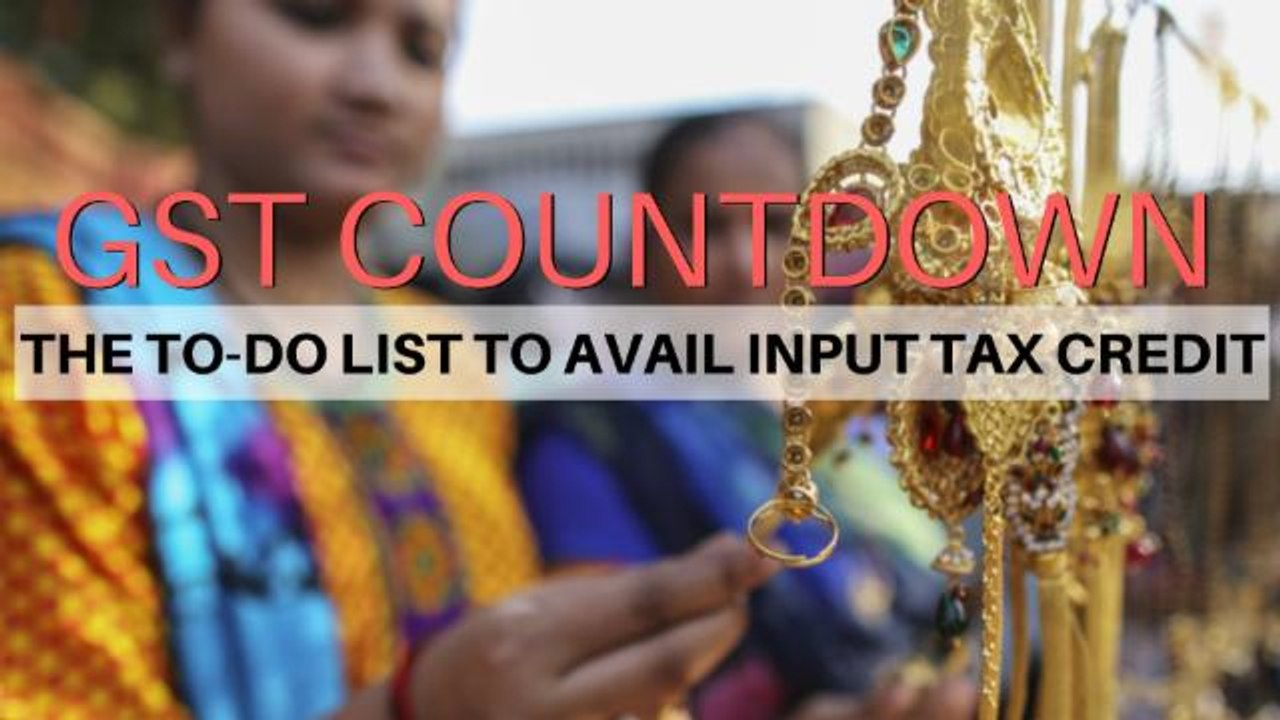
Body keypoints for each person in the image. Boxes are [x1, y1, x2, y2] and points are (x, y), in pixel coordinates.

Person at [0, 1, 974, 718]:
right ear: (181, 31)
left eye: (421, 49)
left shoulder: (450, 360)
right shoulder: (50, 316)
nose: (375, 84)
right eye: (316, 14)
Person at [518, 112, 957, 719]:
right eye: (704, 228)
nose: (745, 260)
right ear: (646, 244)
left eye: (774, 226)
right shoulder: (592, 439)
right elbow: (605, 685)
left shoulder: (856, 419)